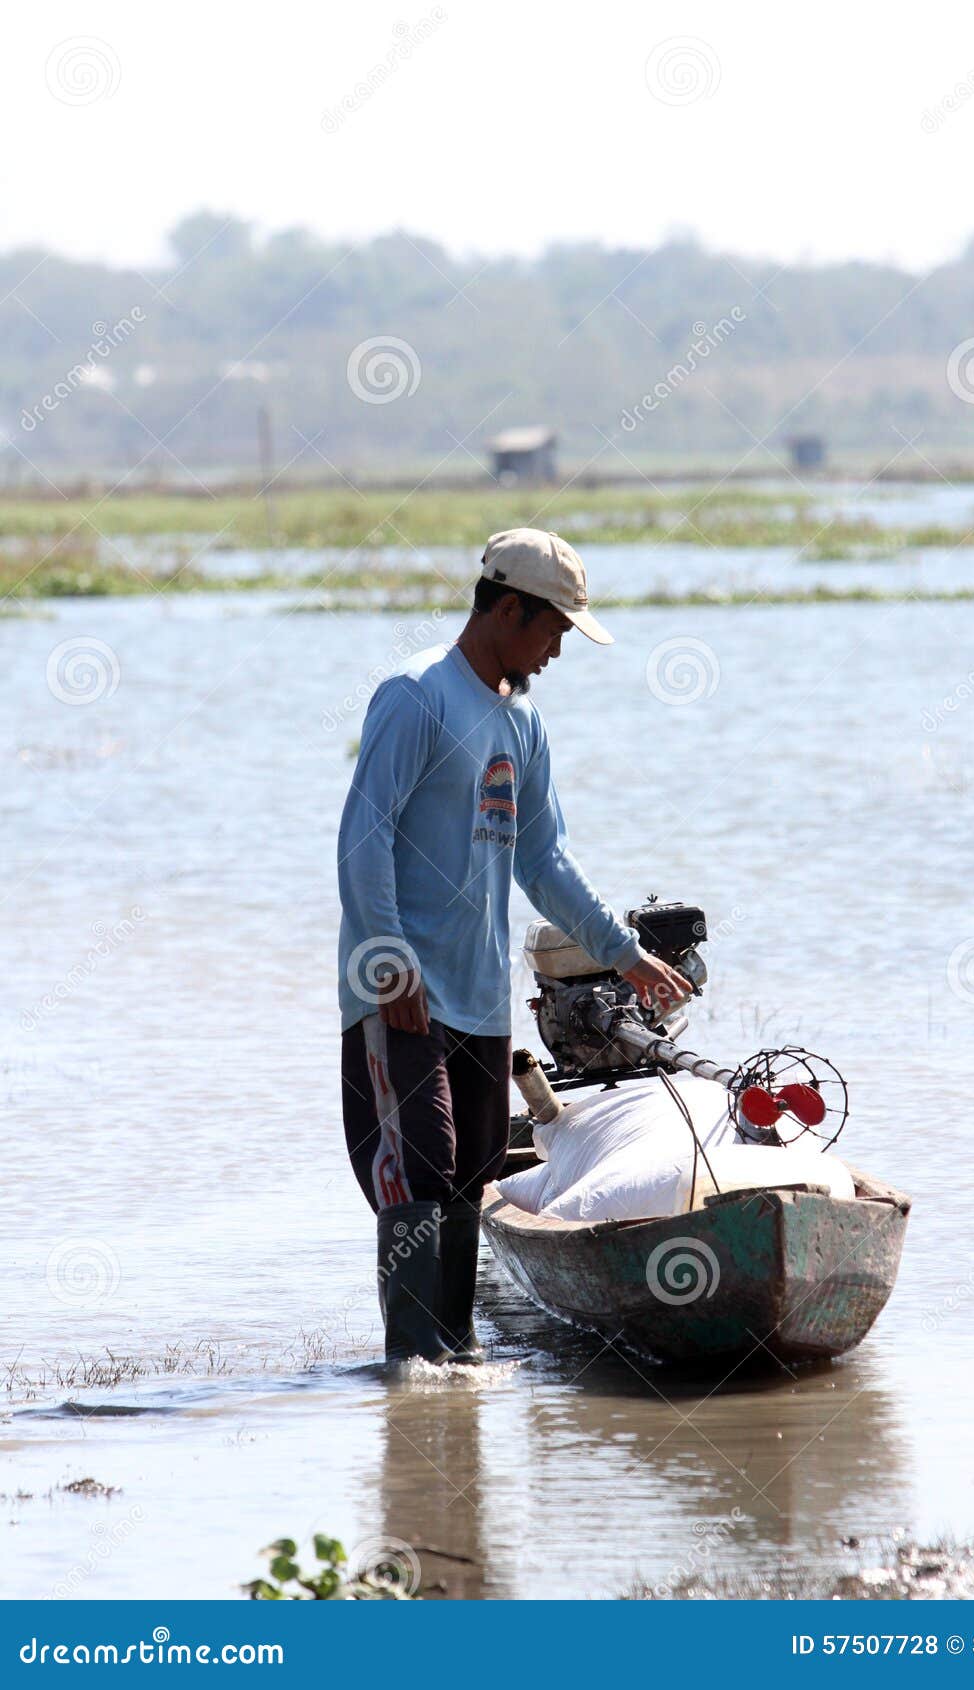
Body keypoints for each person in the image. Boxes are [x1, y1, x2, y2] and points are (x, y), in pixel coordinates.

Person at [337, 527, 691, 1366]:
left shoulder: (522, 720)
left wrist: (621, 951)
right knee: (420, 1168)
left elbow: (543, 858)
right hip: (404, 989)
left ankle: (451, 1368)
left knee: (475, 1170)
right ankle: (413, 1369)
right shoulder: (416, 695)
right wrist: (388, 960)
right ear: (505, 609)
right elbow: (363, 838)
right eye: (553, 630)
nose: (558, 651)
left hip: (478, 994)